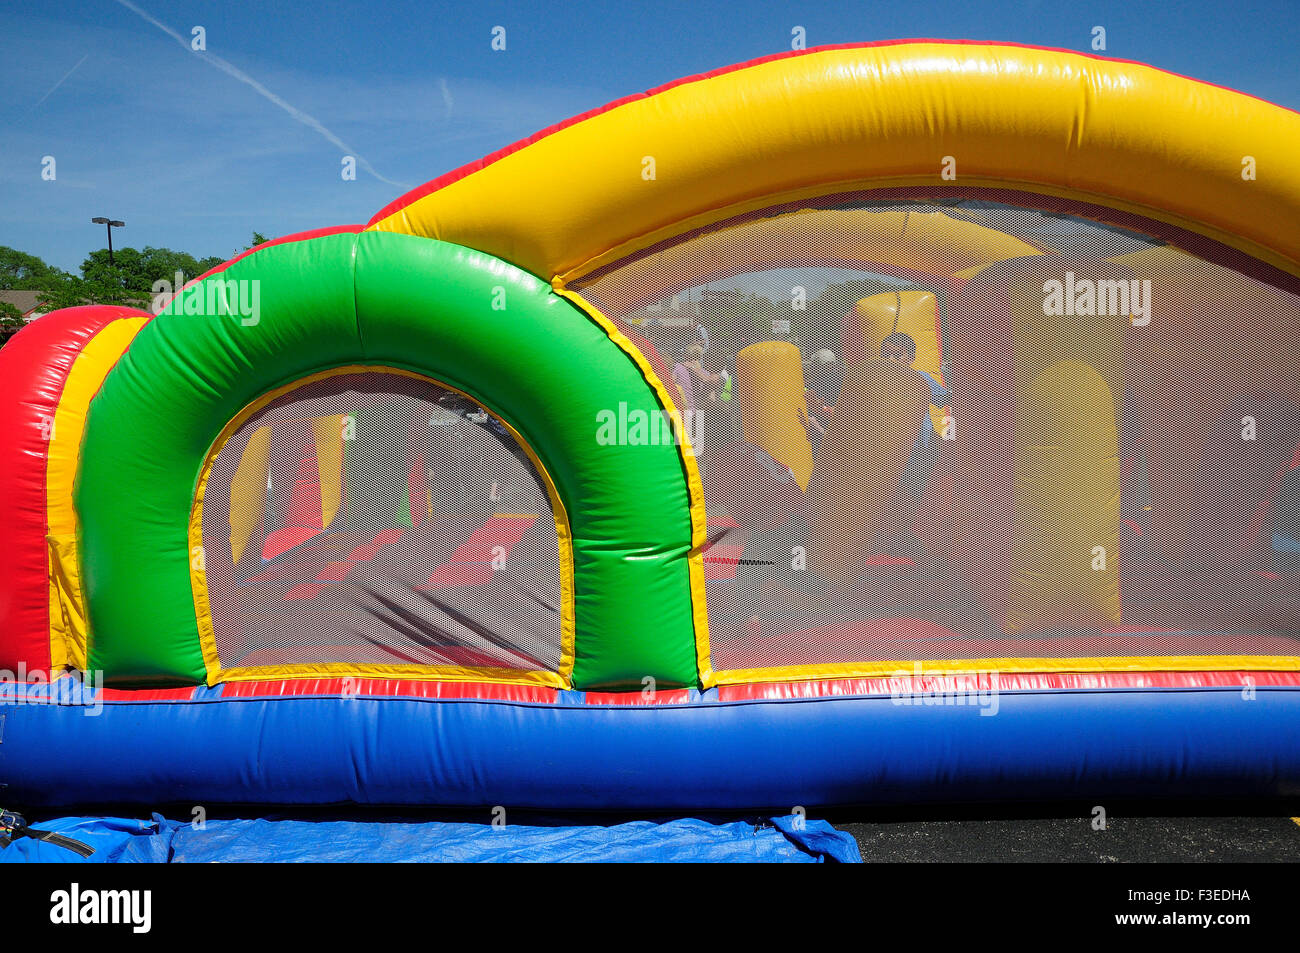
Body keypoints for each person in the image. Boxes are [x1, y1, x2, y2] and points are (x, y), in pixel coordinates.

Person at [880, 332, 950, 558]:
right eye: (885, 354)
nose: (890, 360)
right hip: (888, 448)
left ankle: (917, 537)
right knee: (892, 493)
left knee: (919, 491)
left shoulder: (920, 378)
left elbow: (942, 398)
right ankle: (894, 535)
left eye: (896, 355)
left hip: (919, 447)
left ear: (910, 358)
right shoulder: (876, 379)